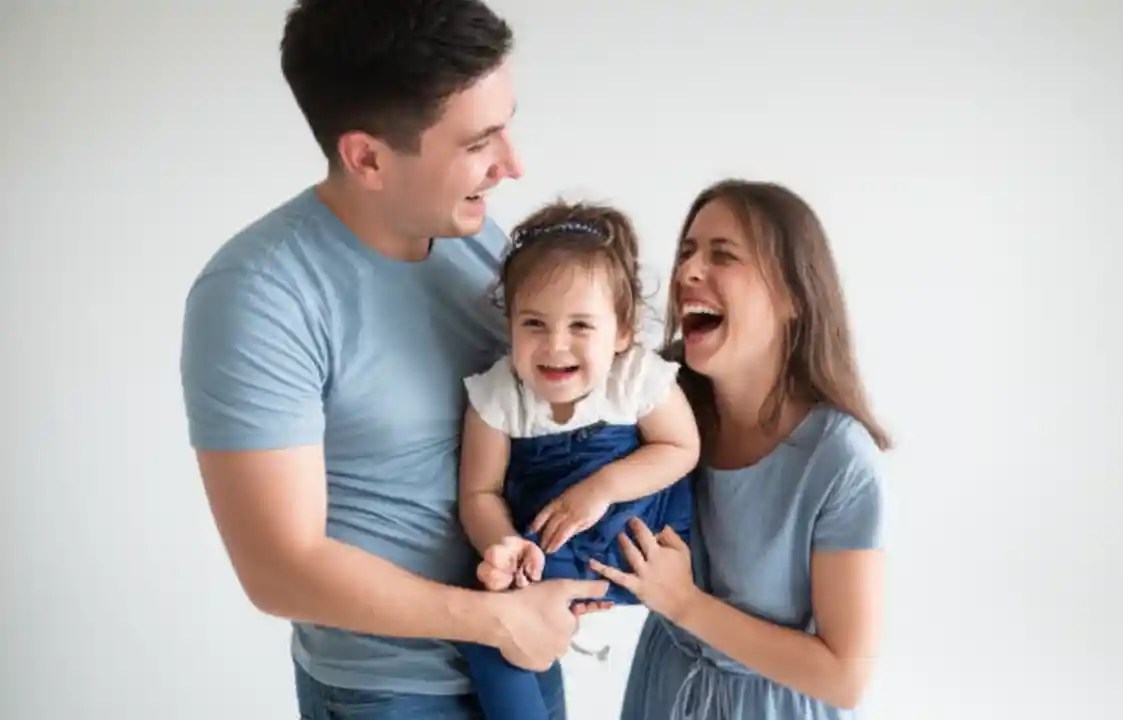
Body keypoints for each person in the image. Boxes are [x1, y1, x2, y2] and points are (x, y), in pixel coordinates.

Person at [179, 2, 605, 718]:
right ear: (367, 157)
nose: (513, 163)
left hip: (522, 660)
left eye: (507, 124)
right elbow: (279, 570)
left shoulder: (474, 238)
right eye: (479, 142)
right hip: (391, 694)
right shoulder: (259, 295)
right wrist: (495, 620)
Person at [591, 180, 892, 719]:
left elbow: (845, 677)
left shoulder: (840, 460)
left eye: (722, 256)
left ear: (793, 297)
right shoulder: (657, 407)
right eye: (686, 253)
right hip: (660, 695)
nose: (686, 274)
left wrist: (683, 603)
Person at [454, 201, 699, 719]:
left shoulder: (634, 377)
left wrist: (603, 487)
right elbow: (480, 492)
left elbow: (681, 448)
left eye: (581, 326)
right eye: (534, 323)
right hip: (552, 547)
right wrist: (503, 544)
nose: (555, 344)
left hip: (637, 539)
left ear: (623, 331)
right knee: (490, 624)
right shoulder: (500, 394)